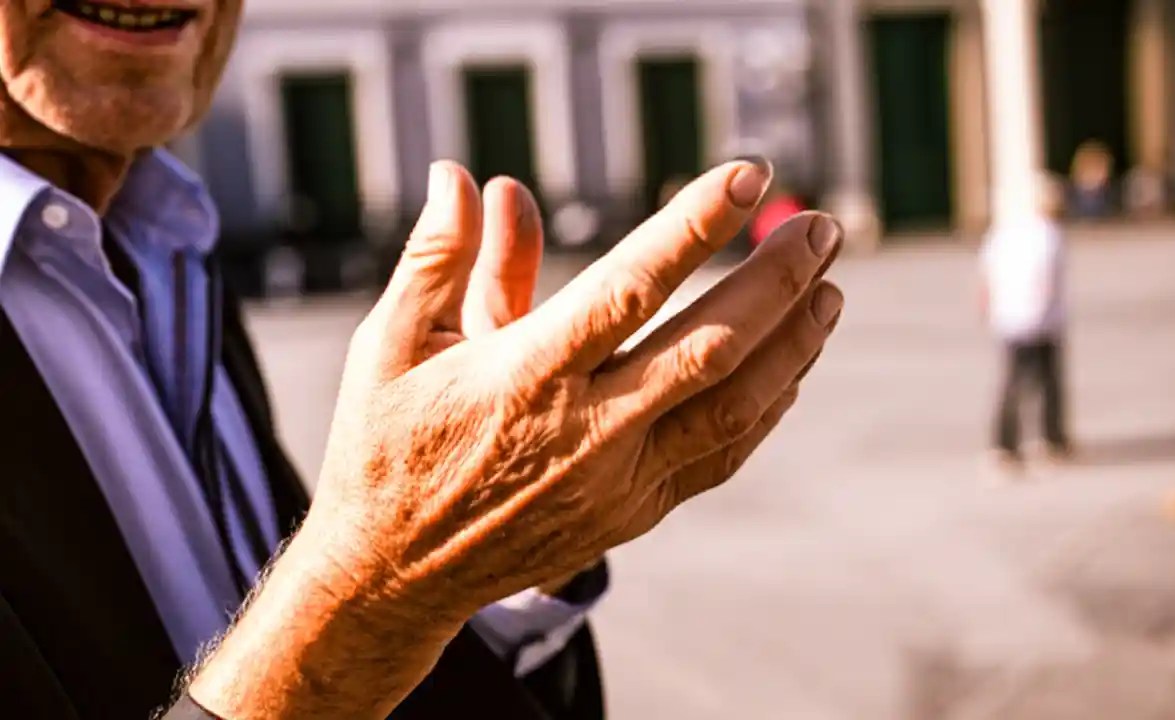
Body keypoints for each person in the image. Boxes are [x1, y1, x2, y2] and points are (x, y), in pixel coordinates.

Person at [0, 3, 843, 718]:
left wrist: (498, 561)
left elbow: (253, 642)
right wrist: (376, 591)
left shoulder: (163, 247)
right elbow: (332, 623)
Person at [979, 176, 1072, 472]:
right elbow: (1046, 279)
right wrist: (1043, 311)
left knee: (1013, 384)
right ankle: (1051, 440)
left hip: (1008, 318)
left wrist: (990, 310)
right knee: (1048, 383)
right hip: (1040, 319)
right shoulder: (1049, 234)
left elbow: (985, 277)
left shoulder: (1004, 232)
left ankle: (1004, 446)